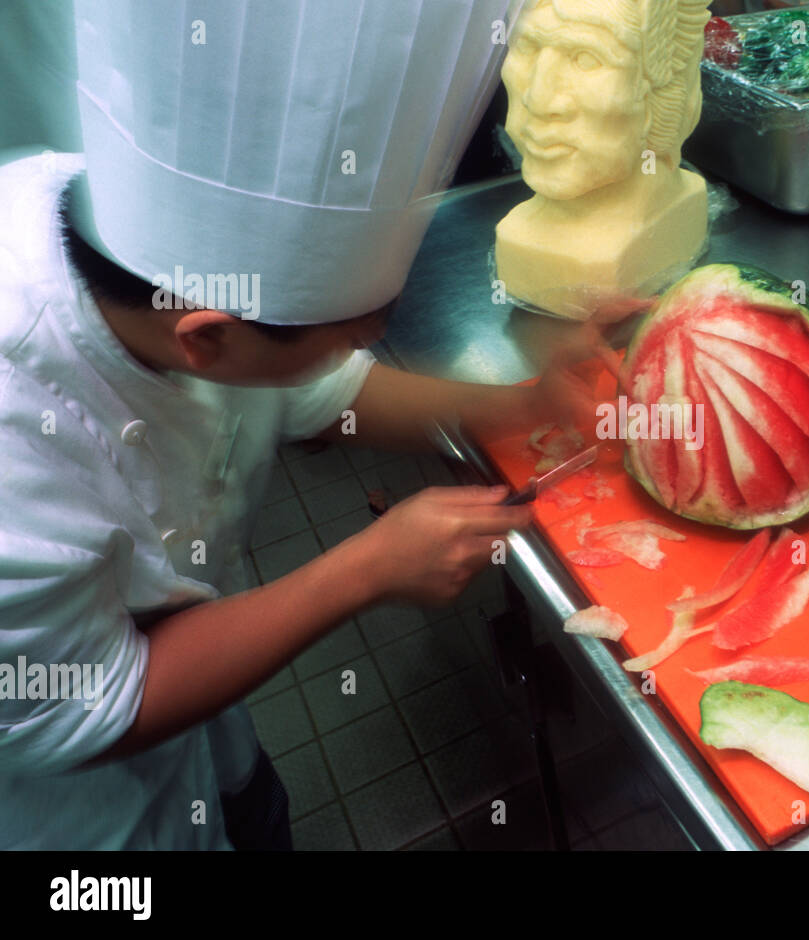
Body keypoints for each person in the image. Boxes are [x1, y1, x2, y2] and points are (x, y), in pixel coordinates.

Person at [0, 0, 600, 850]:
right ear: (208, 338)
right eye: (349, 337)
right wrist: (363, 570)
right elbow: (82, 702)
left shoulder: (161, 273)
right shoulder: (13, 422)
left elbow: (318, 391)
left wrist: (523, 406)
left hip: (212, 724)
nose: (355, 352)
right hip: (90, 824)